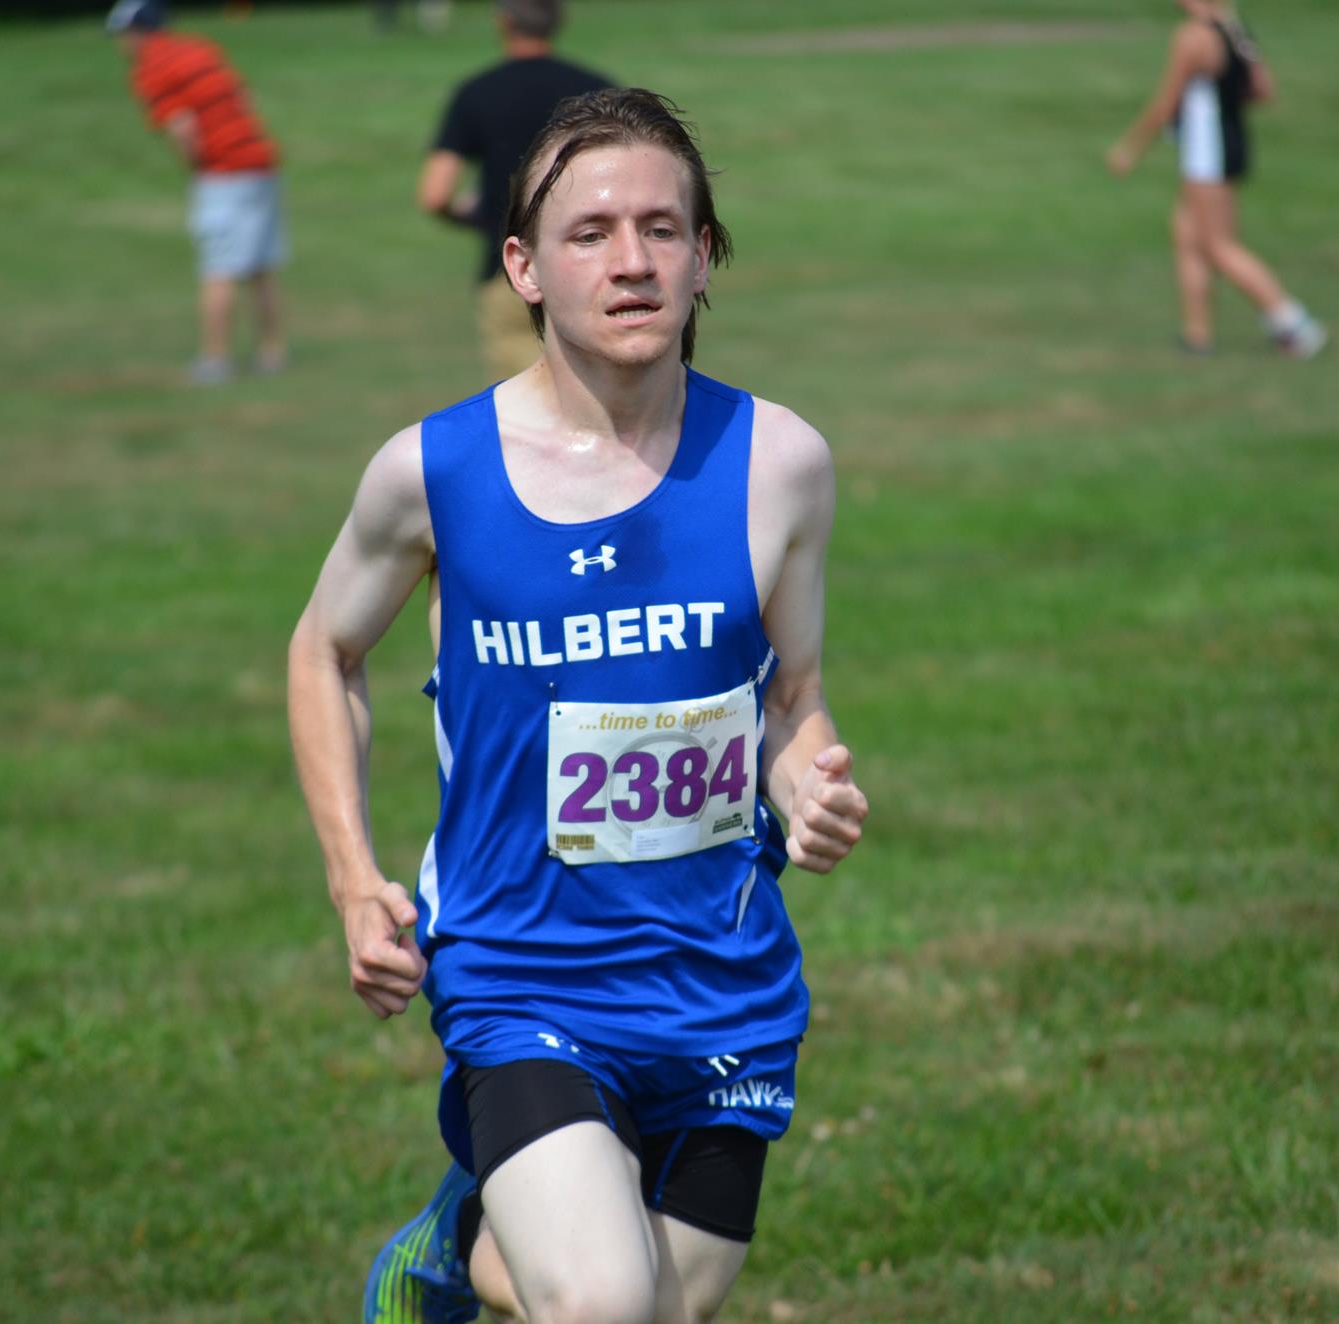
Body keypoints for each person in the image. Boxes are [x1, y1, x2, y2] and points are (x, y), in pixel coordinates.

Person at [290, 88, 870, 1324]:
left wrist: (806, 778)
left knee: (662, 1308)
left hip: (720, 974)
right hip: (523, 968)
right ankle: (491, 1233)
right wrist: (353, 879)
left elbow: (796, 699)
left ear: (705, 259)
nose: (631, 261)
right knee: (604, 1305)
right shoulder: (432, 474)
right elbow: (321, 651)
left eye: (664, 229)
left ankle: (453, 1252)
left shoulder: (782, 464)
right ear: (524, 269)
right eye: (591, 232)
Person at [1106, 0, 1325, 358]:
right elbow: (1262, 90)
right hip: (1231, 141)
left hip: (1208, 153)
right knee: (1186, 235)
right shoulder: (1233, 29)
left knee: (1218, 246)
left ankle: (1293, 324)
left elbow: (1166, 102)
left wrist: (1130, 149)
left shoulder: (1192, 37)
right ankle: (1197, 335)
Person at [417, 0, 610, 385]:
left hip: (513, 268)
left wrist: (478, 216)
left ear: (503, 22)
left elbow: (435, 194)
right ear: (558, 21)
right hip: (595, 266)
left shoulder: (476, 93)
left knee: (526, 410)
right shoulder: (598, 90)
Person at [108, 0, 289, 385]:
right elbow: (244, 100)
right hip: (260, 160)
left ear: (137, 34)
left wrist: (196, 169)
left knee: (218, 268)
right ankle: (272, 352)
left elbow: (183, 126)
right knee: (259, 267)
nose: (121, 45)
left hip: (223, 172)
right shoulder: (200, 48)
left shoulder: (151, 68)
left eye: (122, 36)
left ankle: (216, 359)